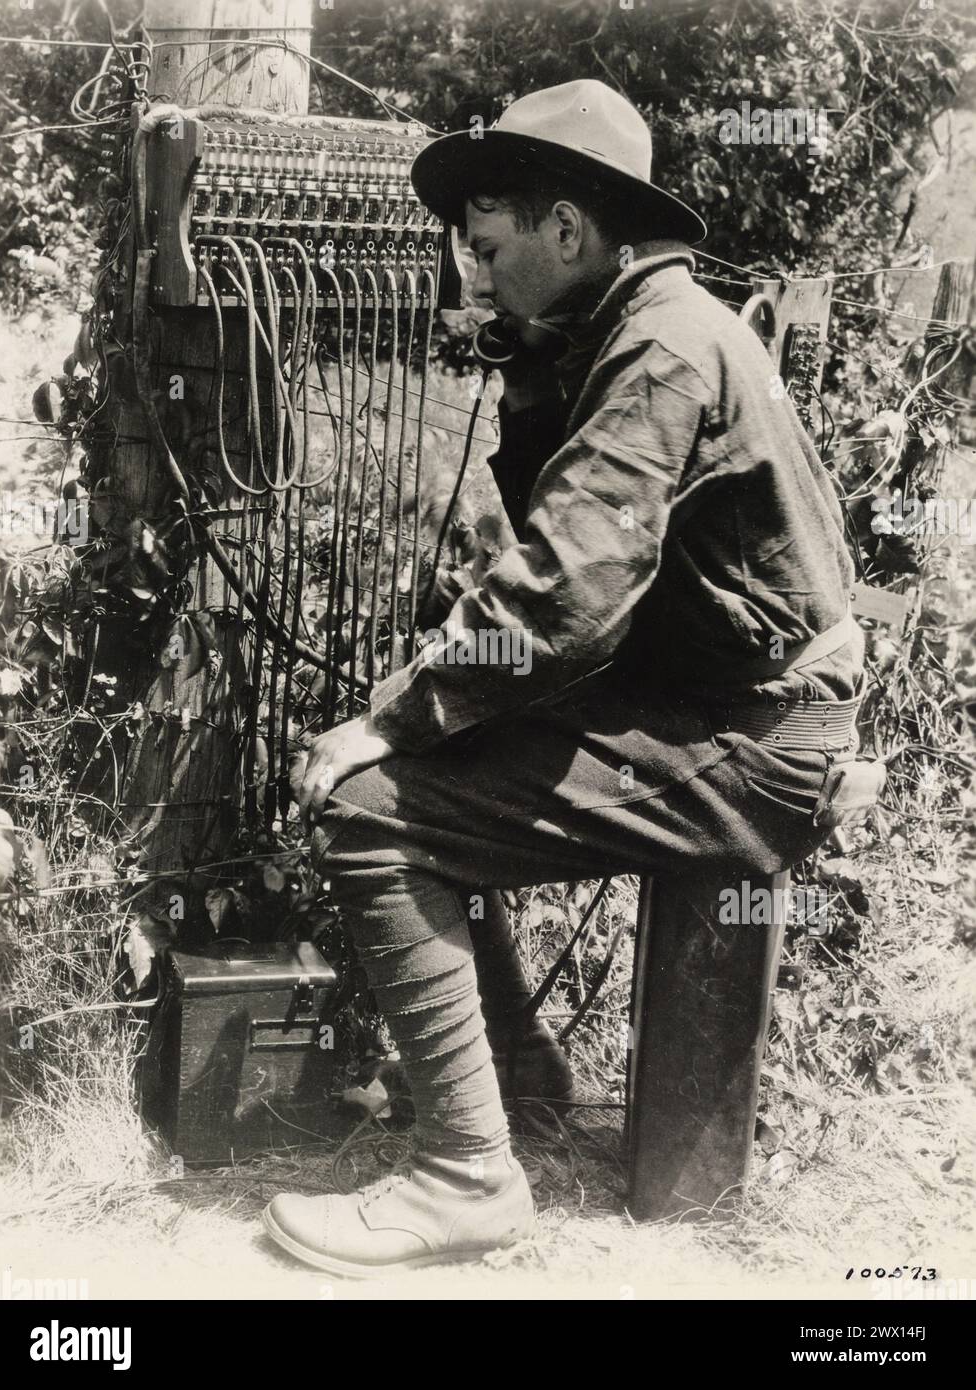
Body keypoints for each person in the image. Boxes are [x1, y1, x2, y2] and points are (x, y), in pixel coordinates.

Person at [262, 79, 865, 1278]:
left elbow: (565, 600)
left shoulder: (659, 352)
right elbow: (584, 566)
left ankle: (465, 1174)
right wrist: (532, 372)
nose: (475, 279)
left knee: (370, 811)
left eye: (488, 249)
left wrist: (388, 714)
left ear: (570, 231)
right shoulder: (648, 326)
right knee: (430, 765)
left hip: (753, 740)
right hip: (733, 708)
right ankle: (526, 1084)